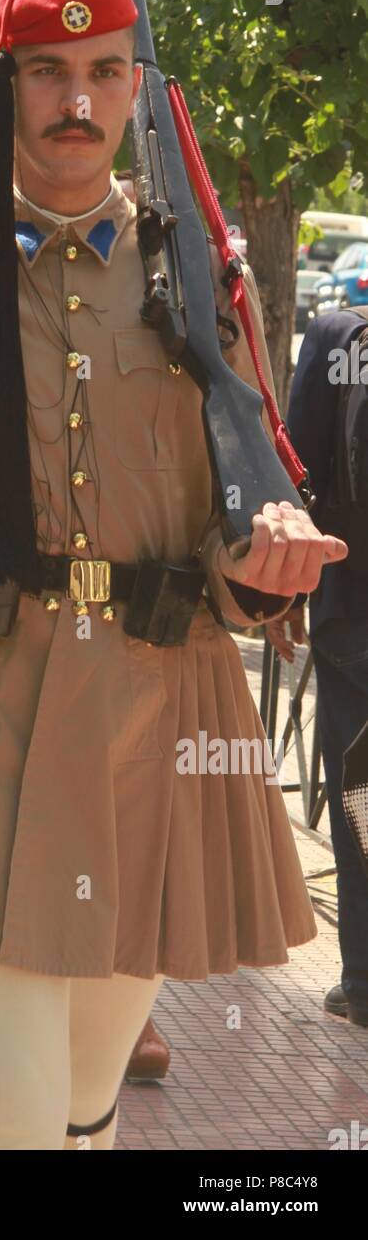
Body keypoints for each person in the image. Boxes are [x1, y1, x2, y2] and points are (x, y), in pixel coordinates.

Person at [0, 0, 345, 1151]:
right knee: (6, 1121)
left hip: (153, 701)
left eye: (103, 72)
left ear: (132, 89)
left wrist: (258, 565)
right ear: (8, 88)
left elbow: (231, 491)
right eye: (47, 73)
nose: (75, 100)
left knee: (79, 1108)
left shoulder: (196, 272)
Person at [268, 308, 368, 1028]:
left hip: (351, 613)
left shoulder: (339, 335)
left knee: (361, 788)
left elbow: (294, 469)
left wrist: (280, 595)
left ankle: (363, 979)